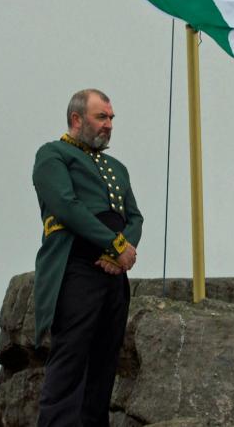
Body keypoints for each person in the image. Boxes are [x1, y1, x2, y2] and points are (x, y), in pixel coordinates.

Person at [32, 89, 143, 427]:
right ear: (77, 119)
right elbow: (66, 206)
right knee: (70, 360)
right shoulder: (53, 154)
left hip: (113, 275)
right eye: (101, 117)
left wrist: (120, 253)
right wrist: (115, 244)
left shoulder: (117, 168)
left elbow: (135, 217)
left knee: (104, 365)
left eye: (111, 118)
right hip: (75, 267)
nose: (108, 124)